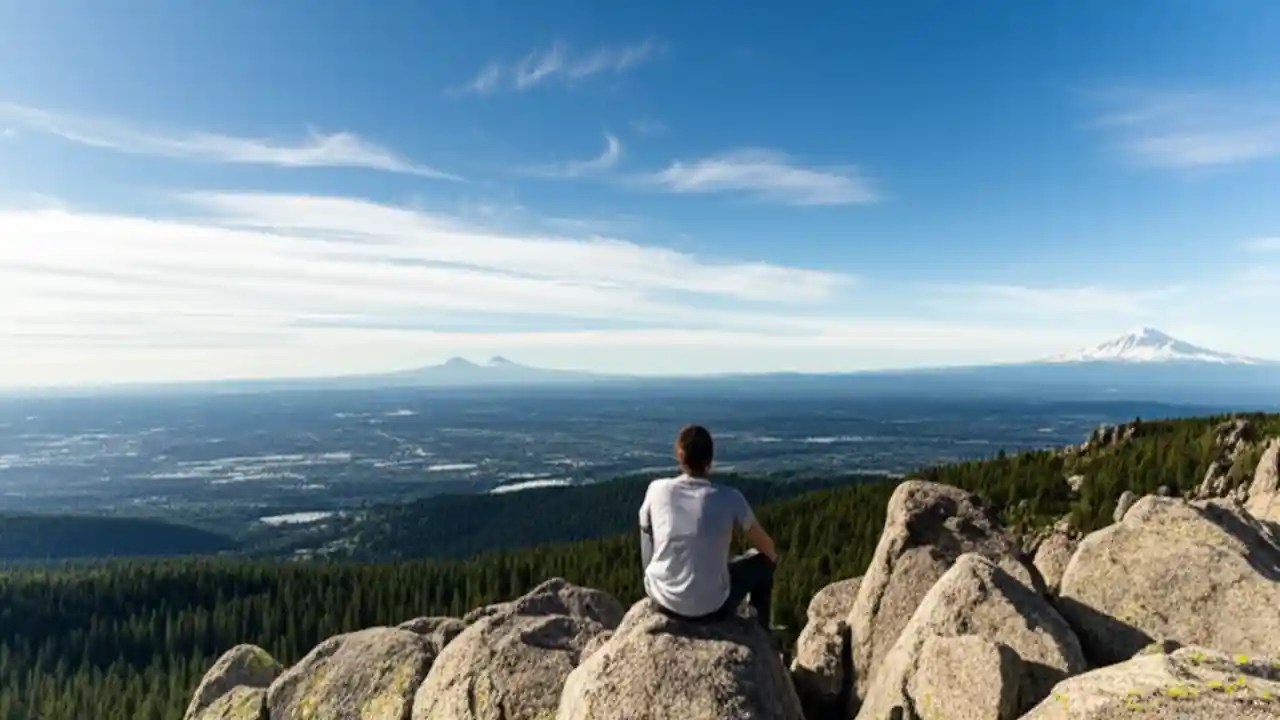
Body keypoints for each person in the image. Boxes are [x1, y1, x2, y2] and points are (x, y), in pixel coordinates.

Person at [638, 424, 779, 628]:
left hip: (662, 601)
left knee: (646, 523)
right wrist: (772, 557)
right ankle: (761, 631)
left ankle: (655, 579)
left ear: (679, 457)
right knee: (763, 561)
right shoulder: (731, 498)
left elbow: (646, 528)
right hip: (713, 608)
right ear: (710, 461)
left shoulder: (657, 489)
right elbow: (767, 547)